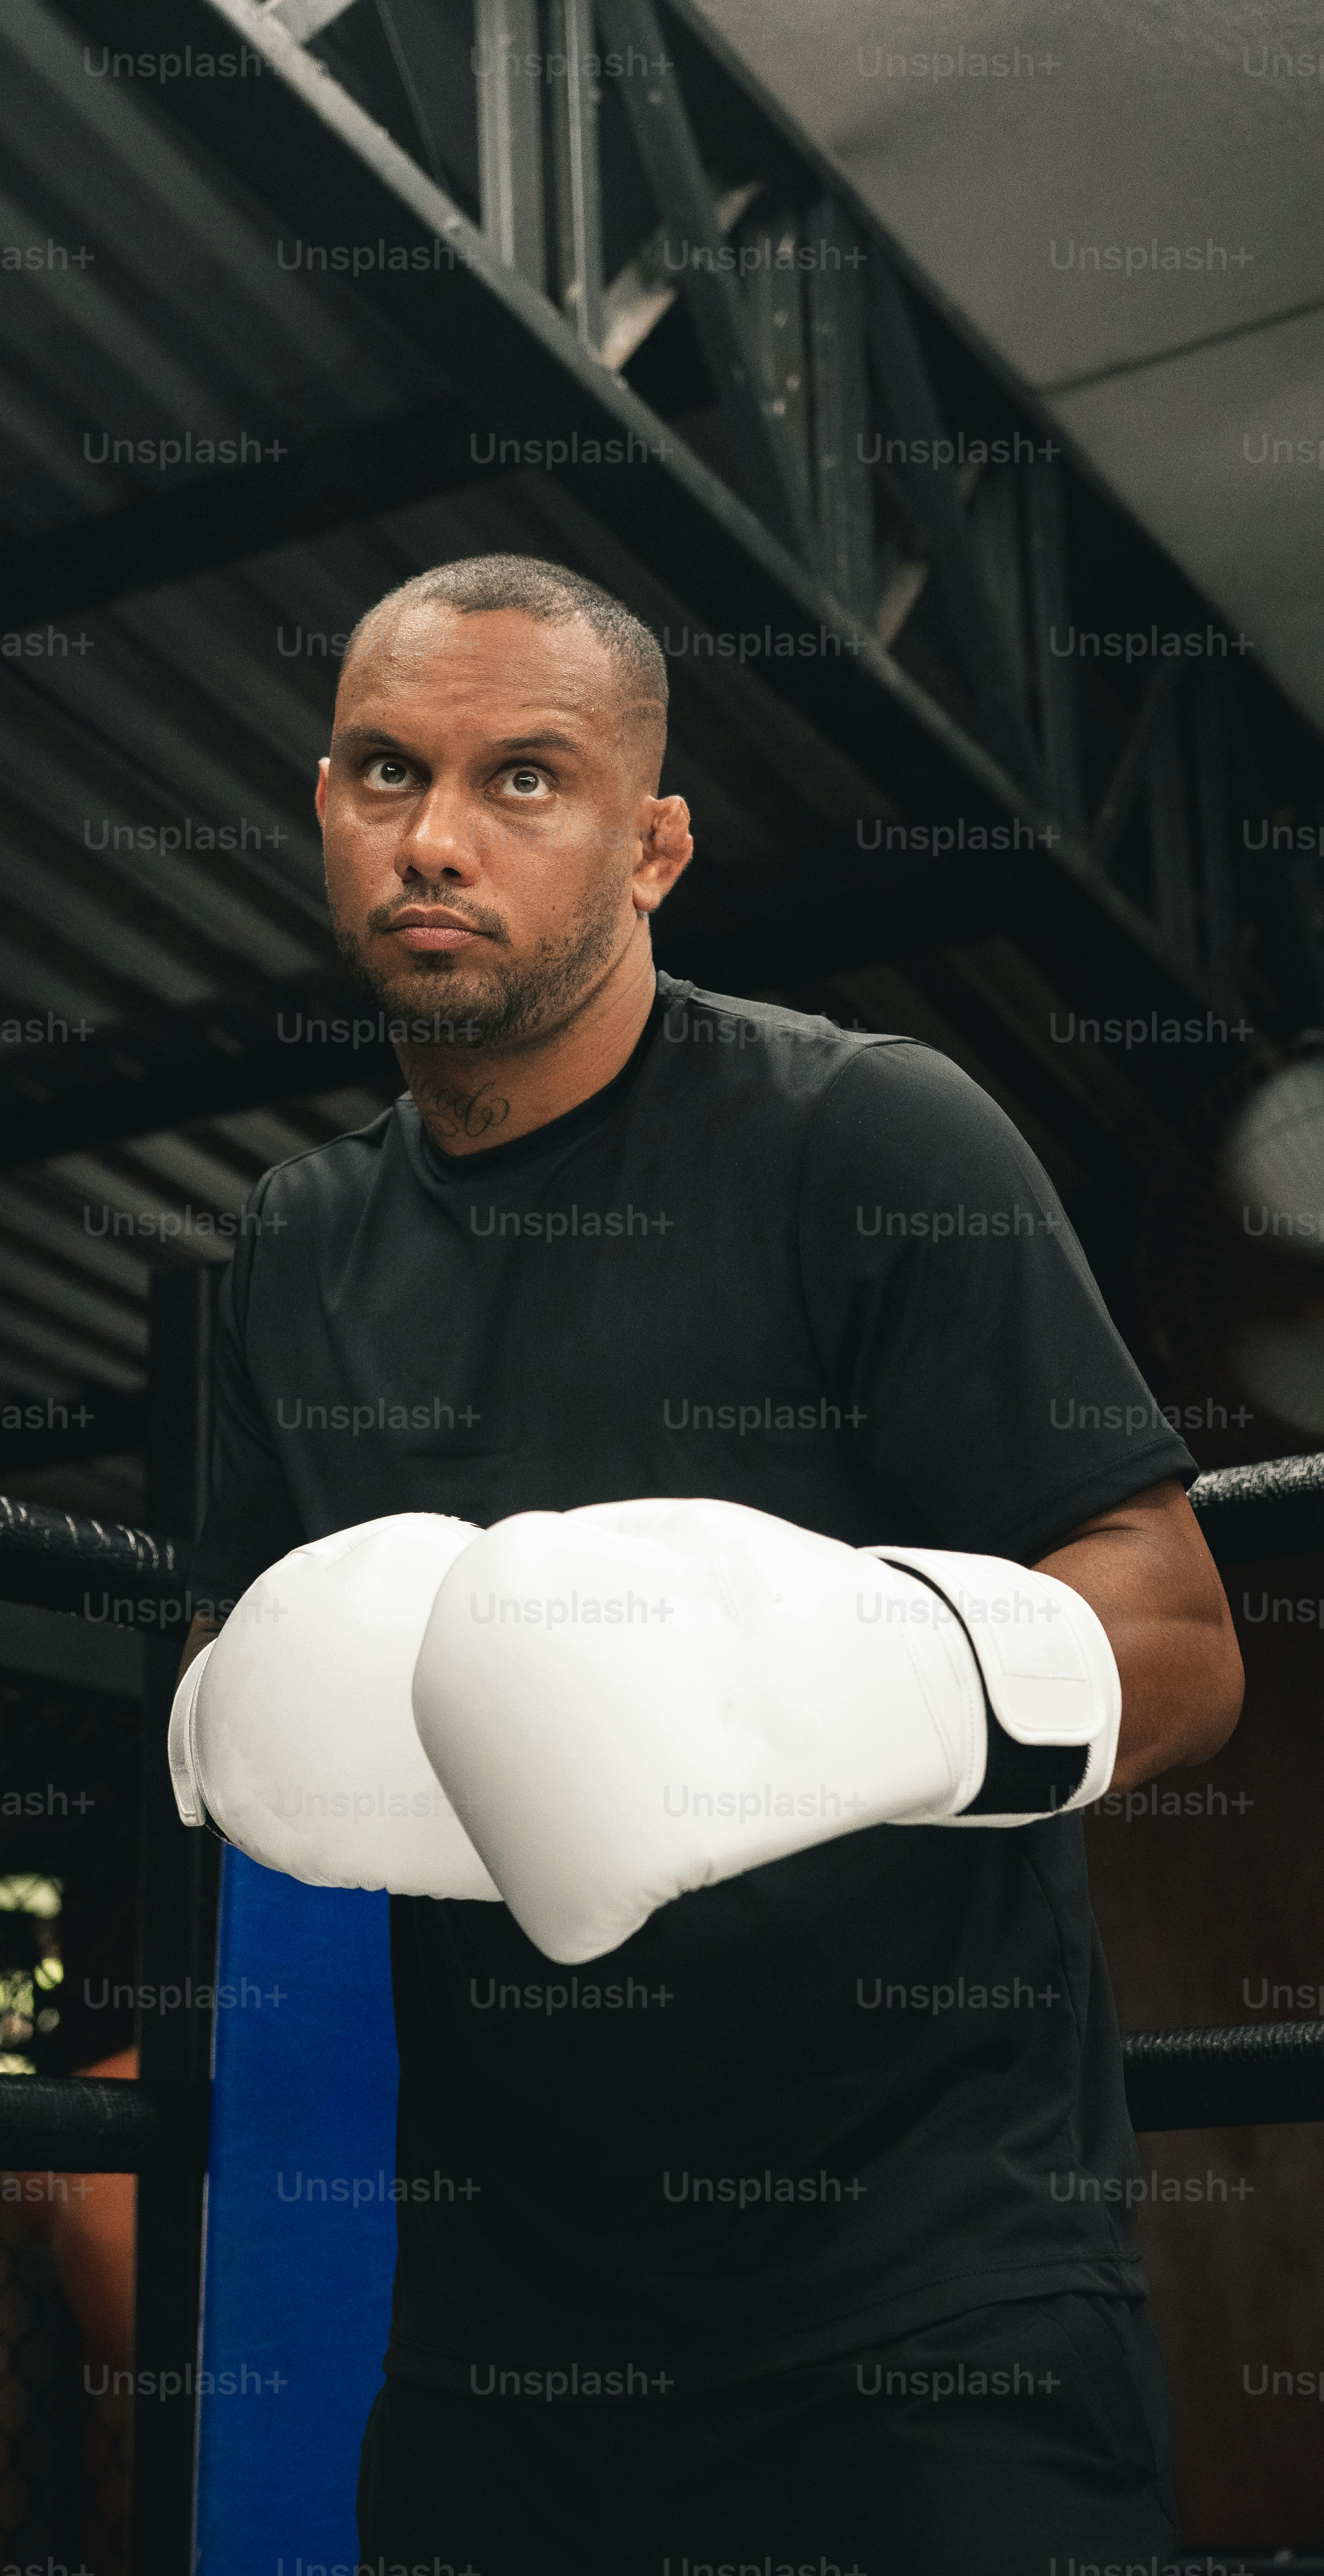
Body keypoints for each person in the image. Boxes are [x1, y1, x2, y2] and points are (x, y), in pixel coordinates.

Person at [174, 554, 1243, 2575]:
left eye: (525, 779)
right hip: (503, 2335)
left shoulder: (870, 1139)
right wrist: (248, 1721)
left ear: (653, 846)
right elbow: (254, 1657)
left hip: (929, 2293)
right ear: (323, 801)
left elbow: (1185, 1636)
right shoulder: (292, 1252)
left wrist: (853, 1681)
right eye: (387, 771)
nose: (433, 838)